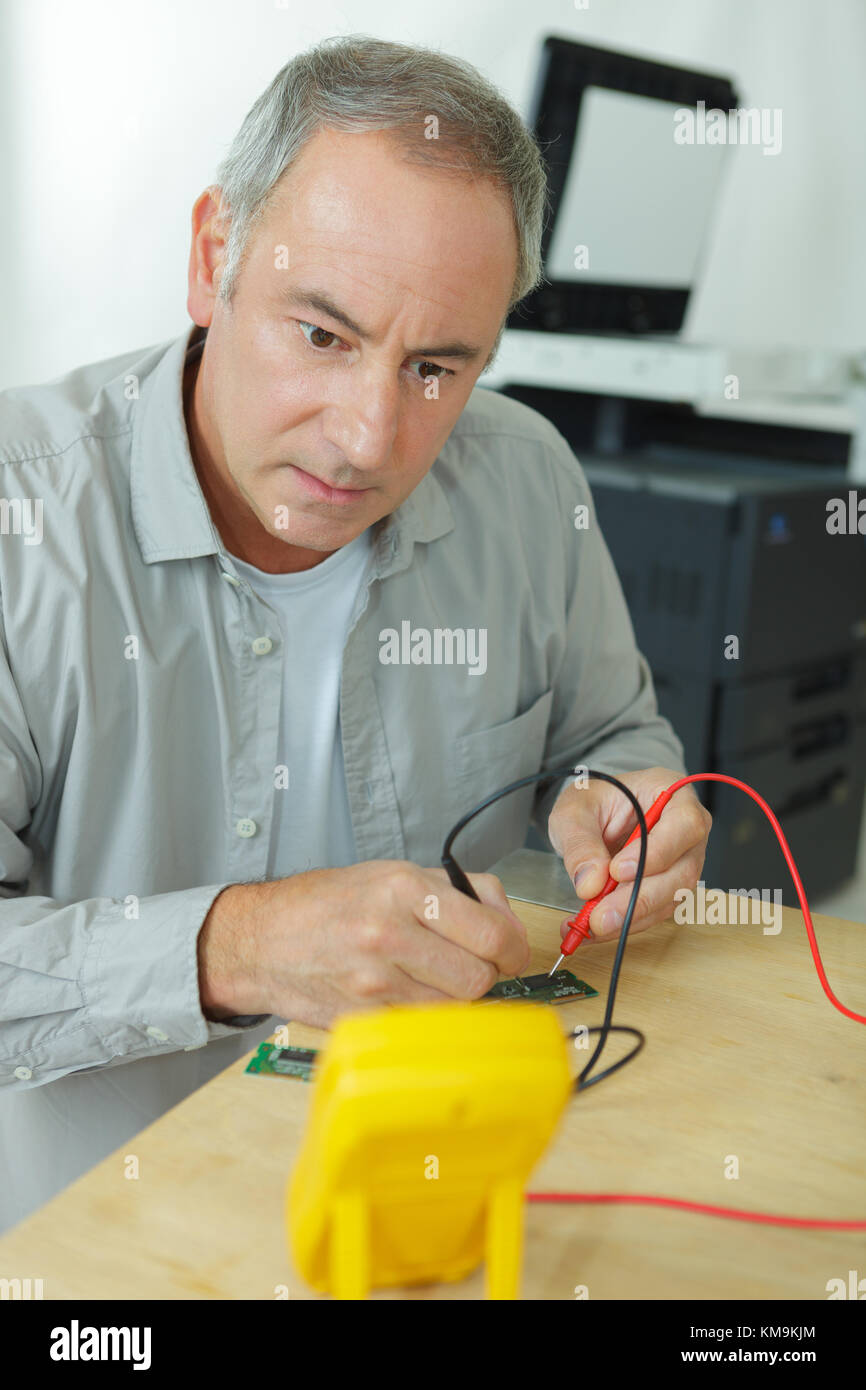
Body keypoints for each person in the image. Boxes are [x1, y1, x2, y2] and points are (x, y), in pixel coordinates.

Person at [0, 35, 710, 1232]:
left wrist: (632, 800)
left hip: (446, 1199)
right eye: (322, 335)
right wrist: (238, 945)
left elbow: (614, 731)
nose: (369, 437)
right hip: (105, 1246)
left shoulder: (529, 481)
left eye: (437, 366)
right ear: (212, 256)